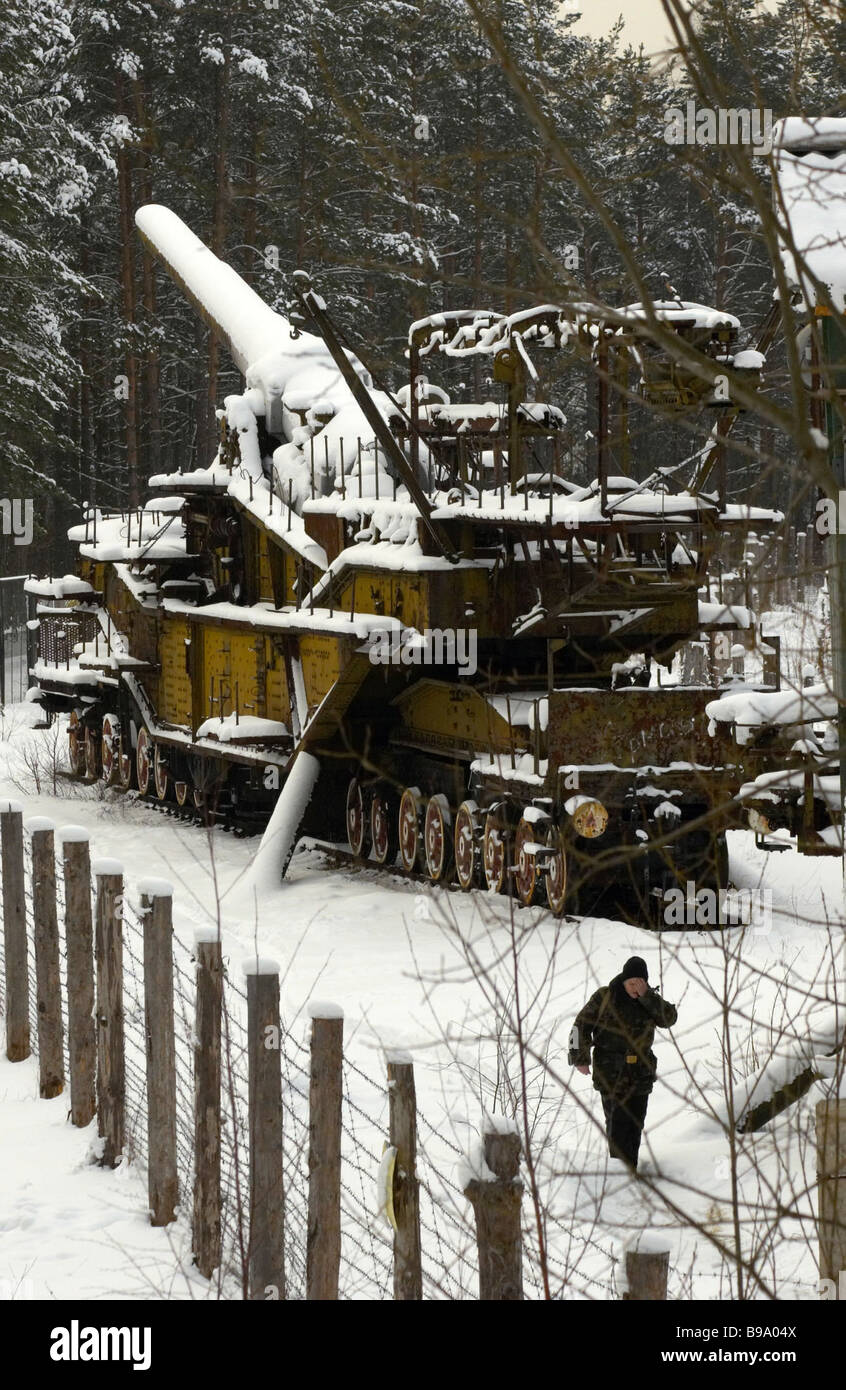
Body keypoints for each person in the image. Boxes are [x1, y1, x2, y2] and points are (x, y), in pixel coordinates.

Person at [568, 955, 677, 1170]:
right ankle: (620, 1179)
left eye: (640, 984)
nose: (635, 989)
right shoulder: (605, 997)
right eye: (631, 984)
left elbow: (669, 1019)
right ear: (623, 980)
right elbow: (579, 1026)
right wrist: (579, 1058)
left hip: (641, 1074)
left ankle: (631, 1172)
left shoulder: (649, 1000)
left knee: (635, 1128)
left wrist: (648, 996)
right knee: (617, 1129)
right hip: (611, 1074)